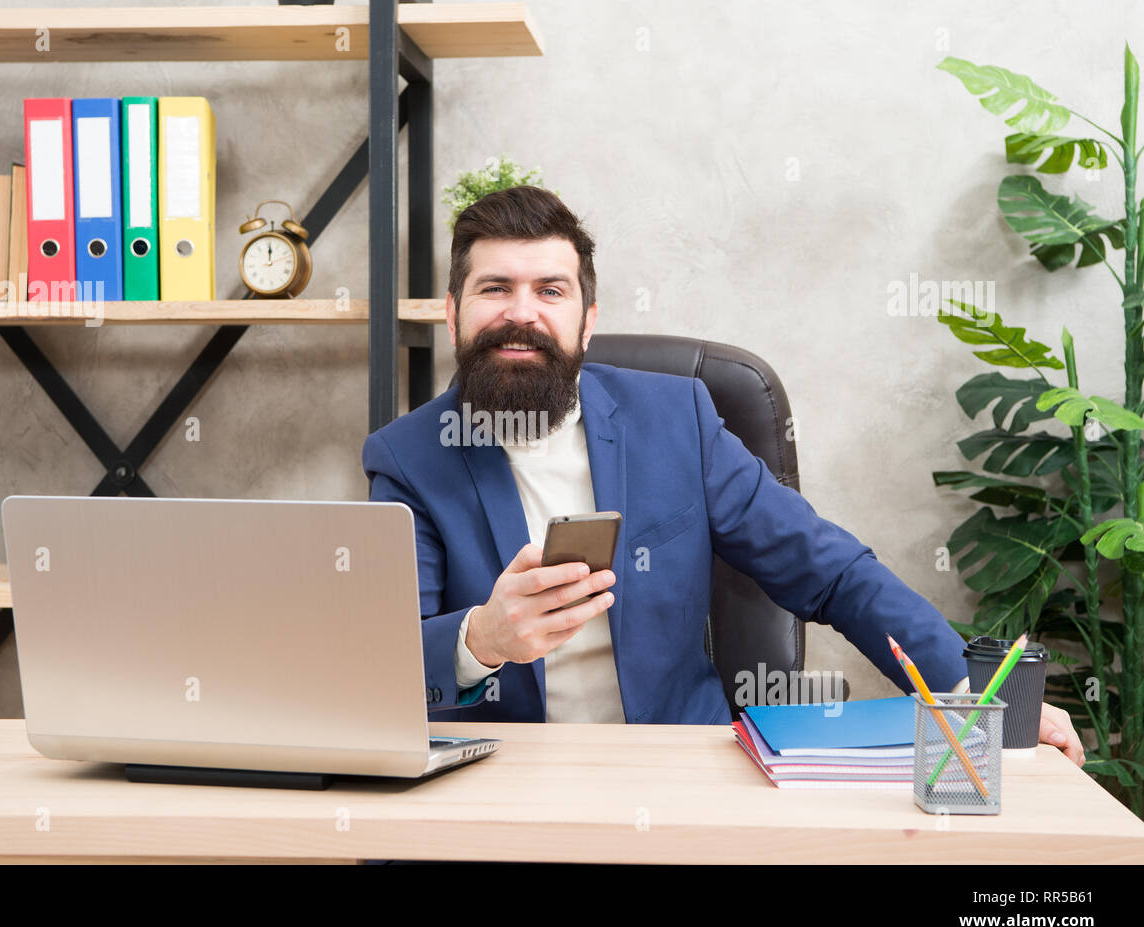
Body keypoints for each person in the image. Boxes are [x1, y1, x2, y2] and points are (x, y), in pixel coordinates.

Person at [361, 185, 1084, 764]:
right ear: (452, 314)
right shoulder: (406, 457)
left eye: (551, 290)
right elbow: (381, 666)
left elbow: (828, 570)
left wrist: (973, 692)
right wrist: (482, 637)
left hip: (676, 774)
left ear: (587, 322)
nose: (522, 313)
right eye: (496, 289)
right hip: (502, 785)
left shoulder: (676, 417)